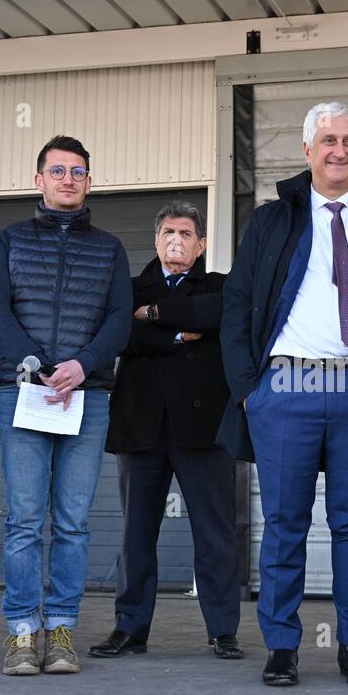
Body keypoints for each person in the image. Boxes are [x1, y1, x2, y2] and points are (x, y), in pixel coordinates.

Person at [220, 102, 348, 688]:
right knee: (285, 523)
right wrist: (247, 390)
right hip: (285, 387)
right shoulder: (271, 220)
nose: (339, 151)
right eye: (327, 140)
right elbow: (237, 303)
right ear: (307, 151)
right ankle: (282, 646)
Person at [0, 134, 132, 676]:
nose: (69, 179)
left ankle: (61, 629)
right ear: (39, 180)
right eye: (58, 171)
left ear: (89, 182)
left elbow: (119, 318)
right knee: (24, 520)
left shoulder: (109, 248)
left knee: (71, 523)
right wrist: (35, 364)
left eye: (79, 172)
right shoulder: (9, 240)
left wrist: (82, 364)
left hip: (85, 398)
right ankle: (21, 632)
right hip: (26, 393)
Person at [92, 202, 242, 660]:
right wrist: (178, 332)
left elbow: (219, 315)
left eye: (186, 232)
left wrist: (153, 316)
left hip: (203, 428)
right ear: (156, 240)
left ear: (201, 244)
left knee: (215, 533)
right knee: (136, 533)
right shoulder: (129, 288)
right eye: (168, 231)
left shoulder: (220, 286)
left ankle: (223, 630)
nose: (176, 239)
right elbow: (119, 336)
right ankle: (130, 628)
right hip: (142, 426)